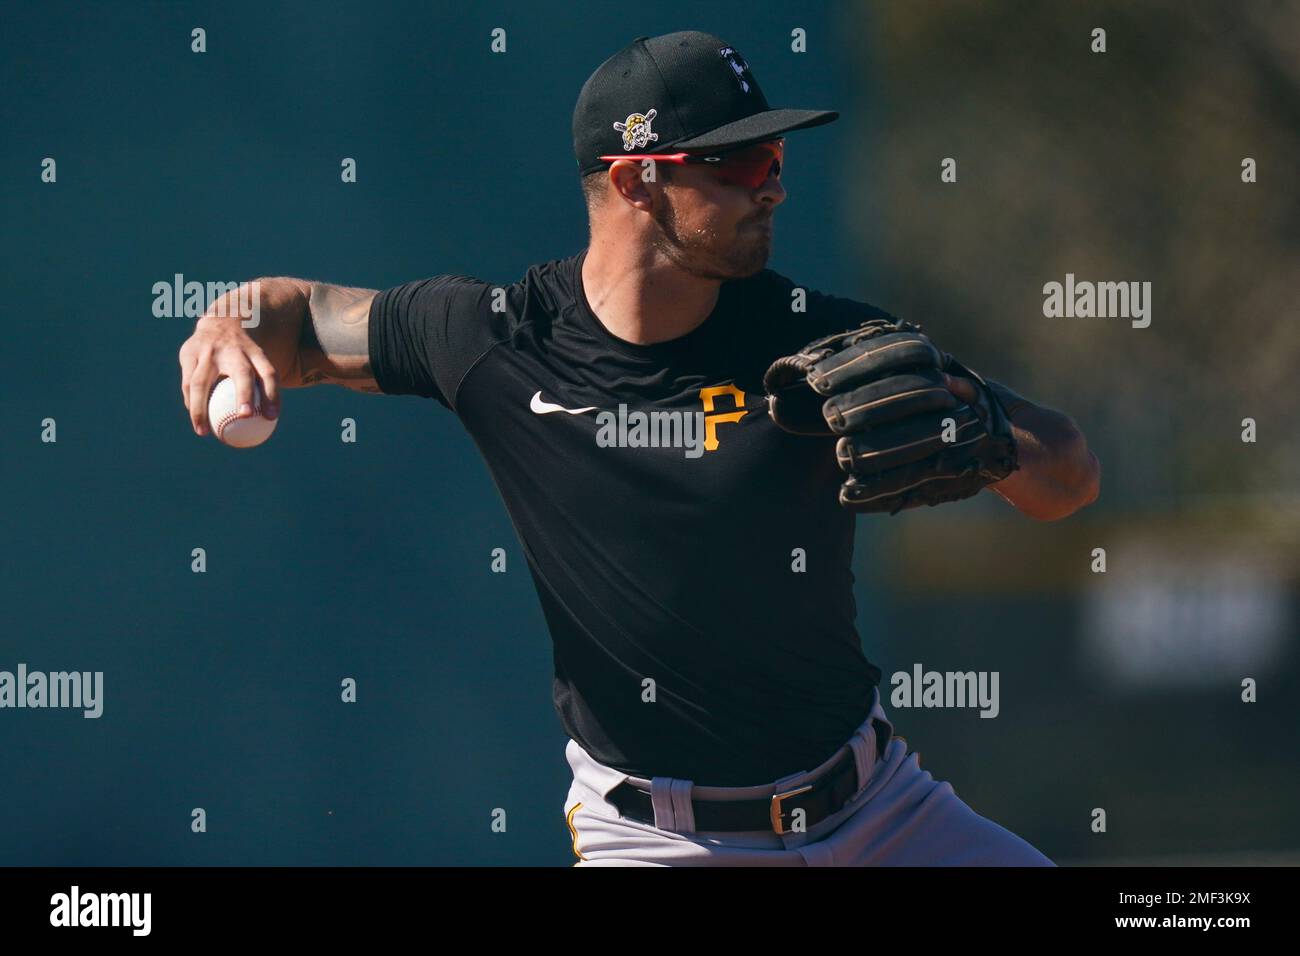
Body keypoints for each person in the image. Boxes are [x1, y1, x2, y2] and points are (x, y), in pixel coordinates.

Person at [177, 31, 1099, 866]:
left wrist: (978, 423)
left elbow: (1070, 475)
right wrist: (233, 317)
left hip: (883, 814)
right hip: (658, 841)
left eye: (775, 154)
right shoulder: (497, 339)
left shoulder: (819, 341)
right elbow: (305, 316)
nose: (772, 181)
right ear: (633, 181)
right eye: (738, 160)